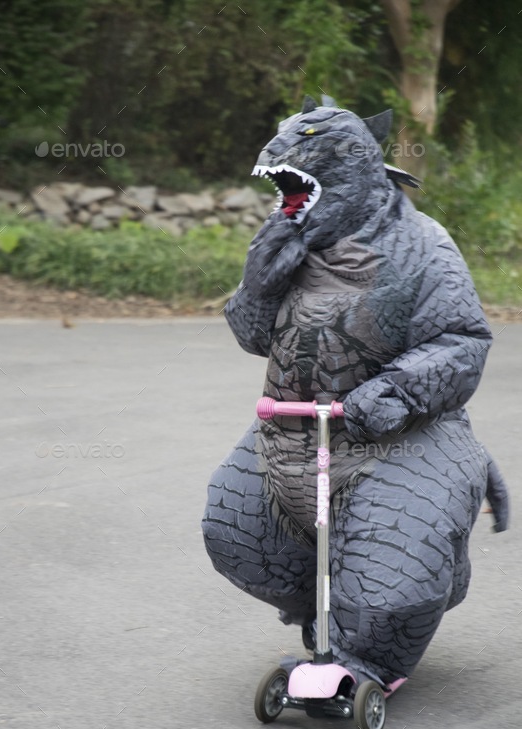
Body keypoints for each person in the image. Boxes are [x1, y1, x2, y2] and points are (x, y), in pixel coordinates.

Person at [201, 96, 508, 687]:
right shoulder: (292, 235)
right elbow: (254, 337)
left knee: (392, 584)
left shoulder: (423, 244)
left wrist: (397, 390)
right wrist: (259, 283)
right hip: (294, 429)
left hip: (396, 437)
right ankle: (330, 618)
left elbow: (463, 340)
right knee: (234, 533)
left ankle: (370, 657)